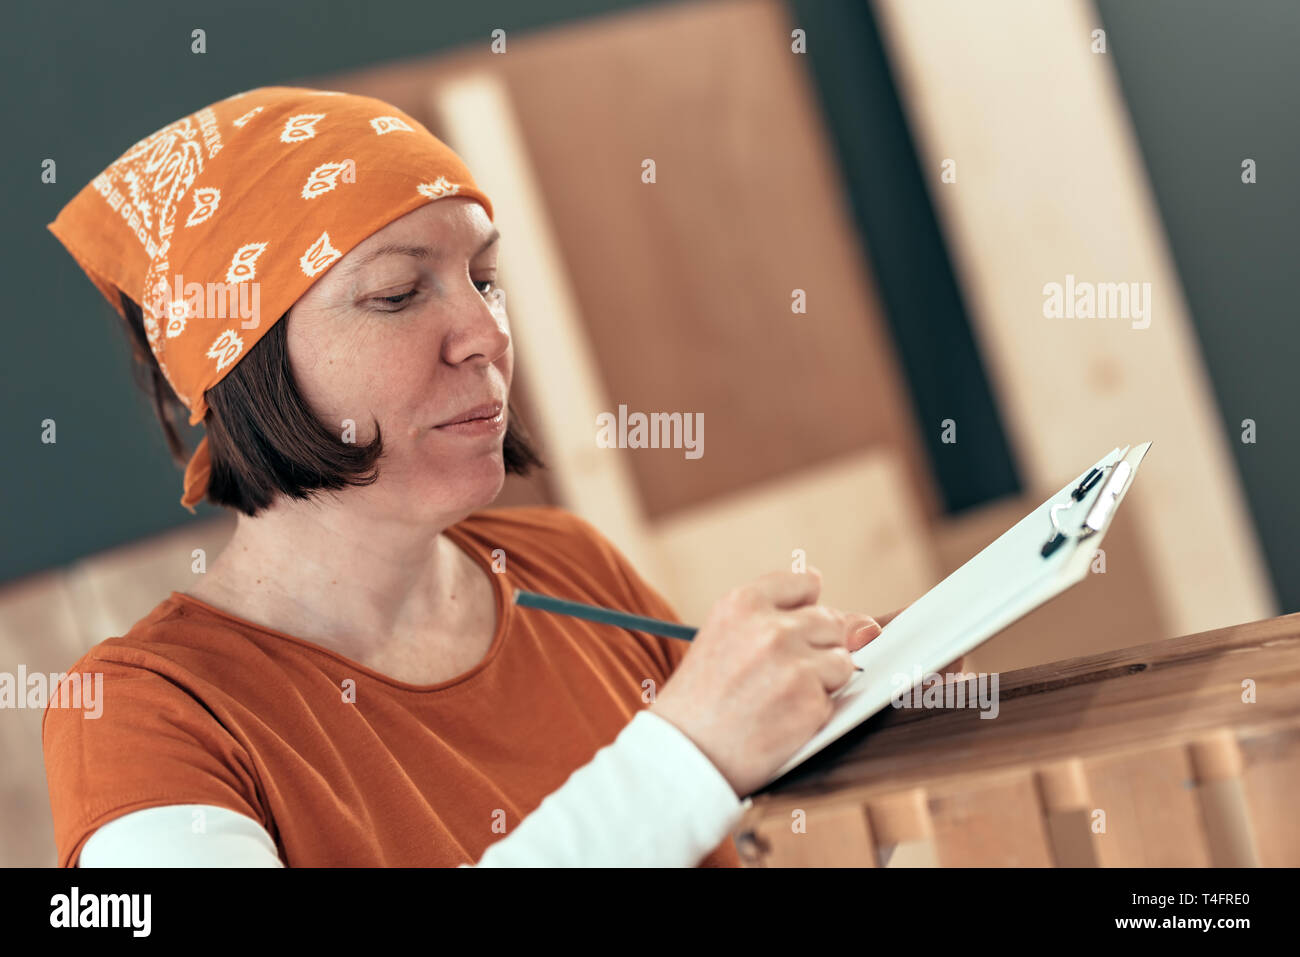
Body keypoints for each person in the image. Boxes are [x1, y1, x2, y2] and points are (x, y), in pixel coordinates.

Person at [42, 86, 889, 867]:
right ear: (246, 363)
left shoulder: (568, 565)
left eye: (486, 278)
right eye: (398, 293)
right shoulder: (144, 714)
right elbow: (681, 779)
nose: (485, 332)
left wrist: (842, 713)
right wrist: (686, 755)